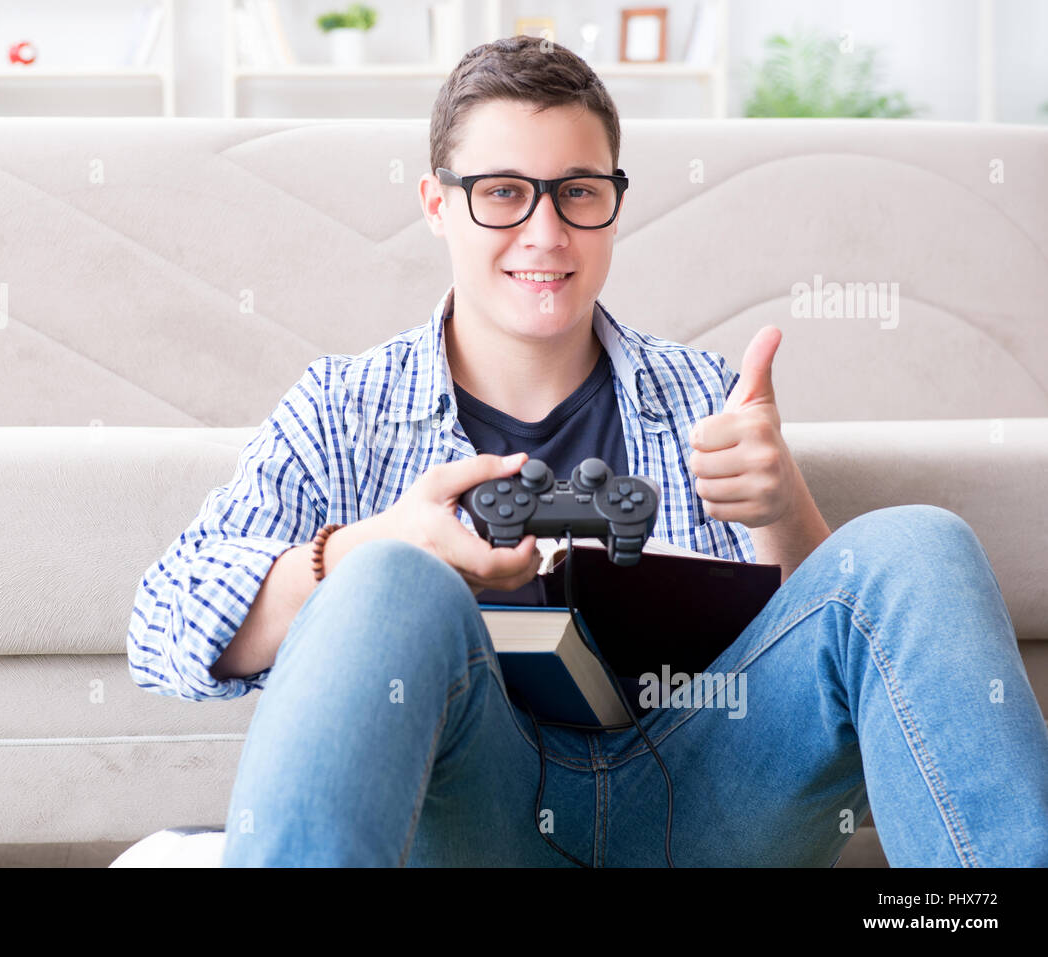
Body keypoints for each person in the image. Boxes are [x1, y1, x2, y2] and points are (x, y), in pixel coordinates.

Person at [127, 36, 1048, 867]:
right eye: (500, 192)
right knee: (386, 578)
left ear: (613, 203)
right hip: (475, 812)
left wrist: (784, 508)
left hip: (704, 802)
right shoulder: (339, 407)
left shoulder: (702, 394)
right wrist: (368, 551)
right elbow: (163, 626)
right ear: (436, 206)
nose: (545, 231)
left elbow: (823, 660)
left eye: (578, 191)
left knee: (920, 542)